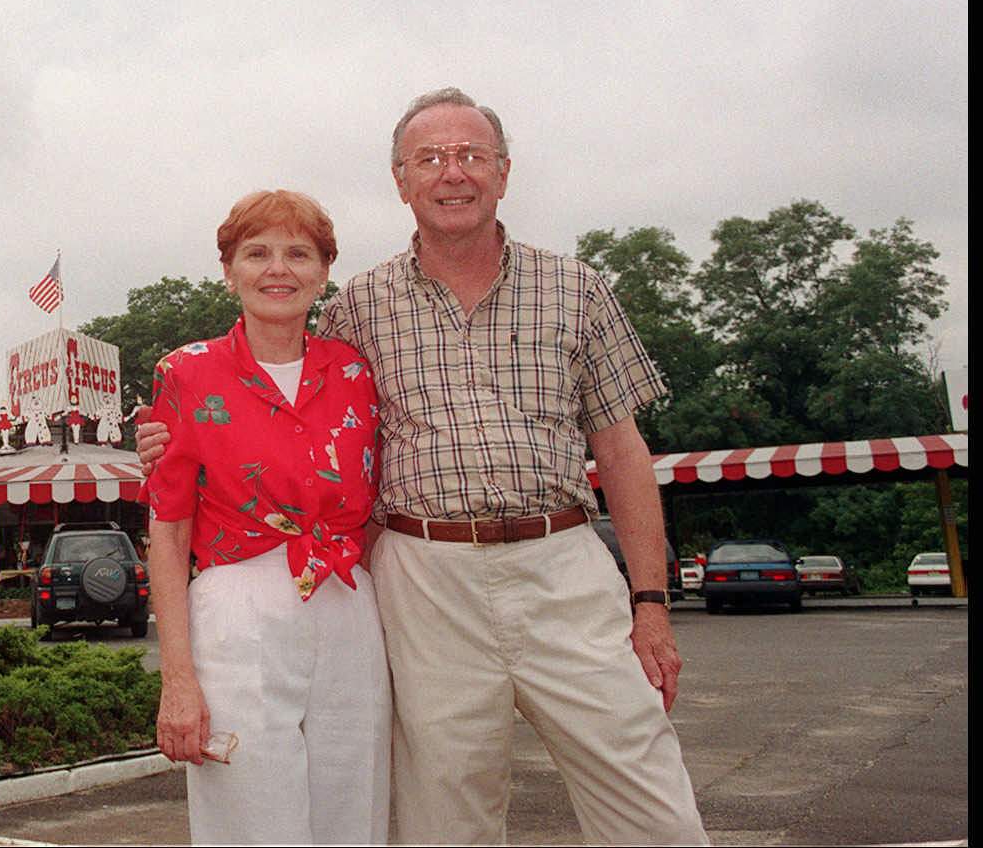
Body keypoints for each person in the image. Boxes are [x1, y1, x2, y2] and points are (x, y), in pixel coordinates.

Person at [140, 89, 706, 846]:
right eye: (429, 159)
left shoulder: (577, 288)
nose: (453, 174)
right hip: (425, 578)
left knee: (646, 792)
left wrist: (651, 602)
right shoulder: (361, 308)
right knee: (448, 809)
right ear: (401, 181)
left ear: (503, 173)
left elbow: (624, 454)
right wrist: (167, 435)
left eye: (471, 156)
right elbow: (274, 406)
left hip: (563, 563)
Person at [144, 190, 391, 845]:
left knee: (354, 809)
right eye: (257, 253)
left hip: (345, 598)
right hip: (238, 605)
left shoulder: (354, 373)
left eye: (297, 253)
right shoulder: (186, 375)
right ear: (230, 271)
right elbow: (167, 534)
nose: (277, 269)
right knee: (251, 820)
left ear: (323, 271)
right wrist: (178, 682)